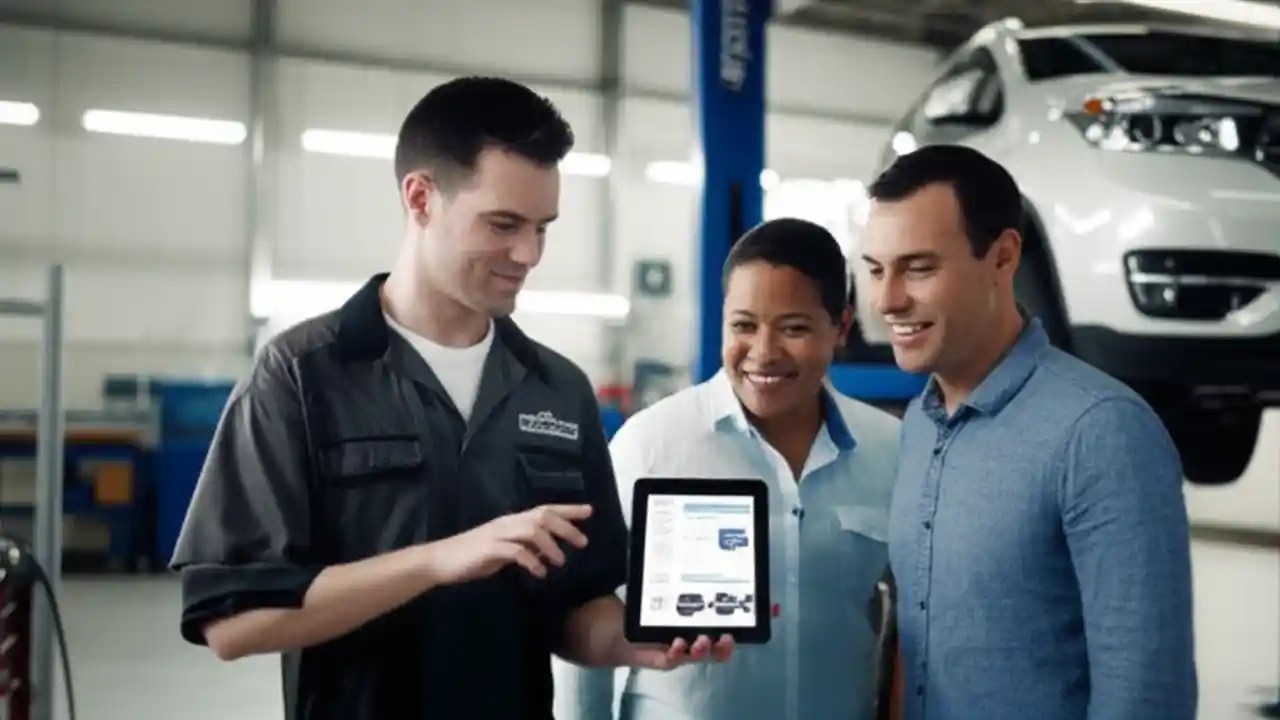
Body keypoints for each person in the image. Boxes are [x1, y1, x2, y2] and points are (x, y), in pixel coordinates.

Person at [169, 76, 731, 720]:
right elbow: (235, 624)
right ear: (420, 198)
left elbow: (574, 609)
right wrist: (437, 562)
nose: (528, 253)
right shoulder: (301, 376)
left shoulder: (558, 390)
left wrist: (635, 641)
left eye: (543, 227)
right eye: (503, 224)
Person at [860, 144, 1197, 720]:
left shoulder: (1101, 431)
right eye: (874, 269)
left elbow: (1145, 696)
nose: (888, 299)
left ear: (1002, 257)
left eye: (919, 267)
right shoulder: (919, 423)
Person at [553, 218, 903, 720]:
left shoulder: (889, 451)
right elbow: (585, 614)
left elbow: (915, 623)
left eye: (794, 328)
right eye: (743, 325)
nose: (763, 352)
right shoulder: (650, 446)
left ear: (842, 325)